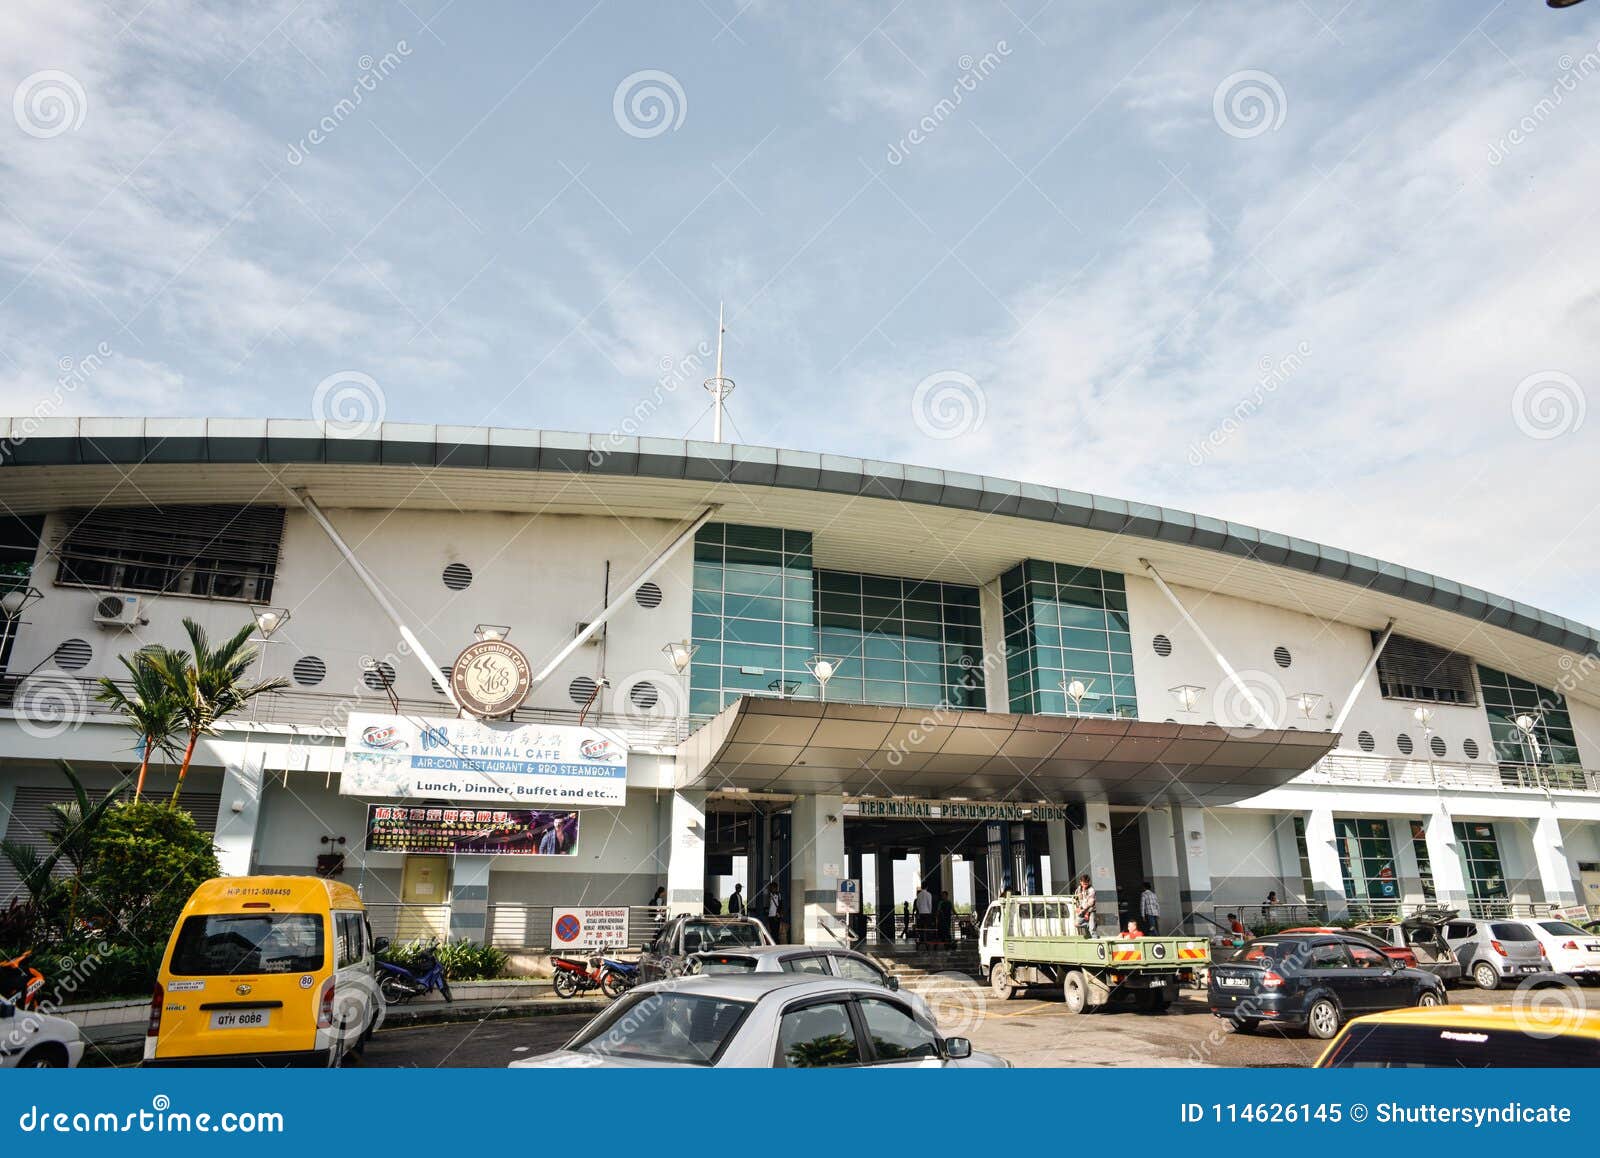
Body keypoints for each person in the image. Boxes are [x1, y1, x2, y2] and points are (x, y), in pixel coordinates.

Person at [1074, 873, 1096, 937]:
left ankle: (1094, 937)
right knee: (1076, 924)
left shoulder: (1091, 890)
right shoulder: (1079, 889)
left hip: (1090, 910)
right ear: (1080, 882)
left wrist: (1085, 911)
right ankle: (1088, 924)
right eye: (1084, 883)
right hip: (1082, 910)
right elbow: (1077, 899)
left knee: (1092, 930)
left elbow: (1090, 903)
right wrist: (1078, 907)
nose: (1085, 885)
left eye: (1087, 883)